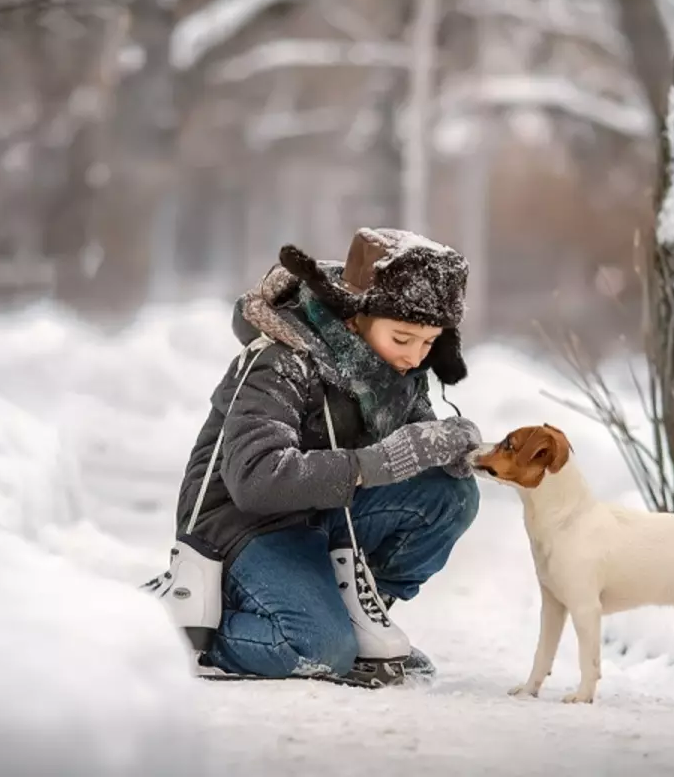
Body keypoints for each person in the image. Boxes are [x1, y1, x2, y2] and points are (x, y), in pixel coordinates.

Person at [163, 227, 482, 687]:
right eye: (404, 338)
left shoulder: (394, 370)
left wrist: (454, 445)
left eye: (430, 342)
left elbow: (414, 446)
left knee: (449, 494)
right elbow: (255, 479)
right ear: (356, 317)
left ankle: (357, 614)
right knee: (319, 649)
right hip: (242, 526)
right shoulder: (282, 358)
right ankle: (174, 630)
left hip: (324, 515)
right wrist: (377, 463)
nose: (415, 357)